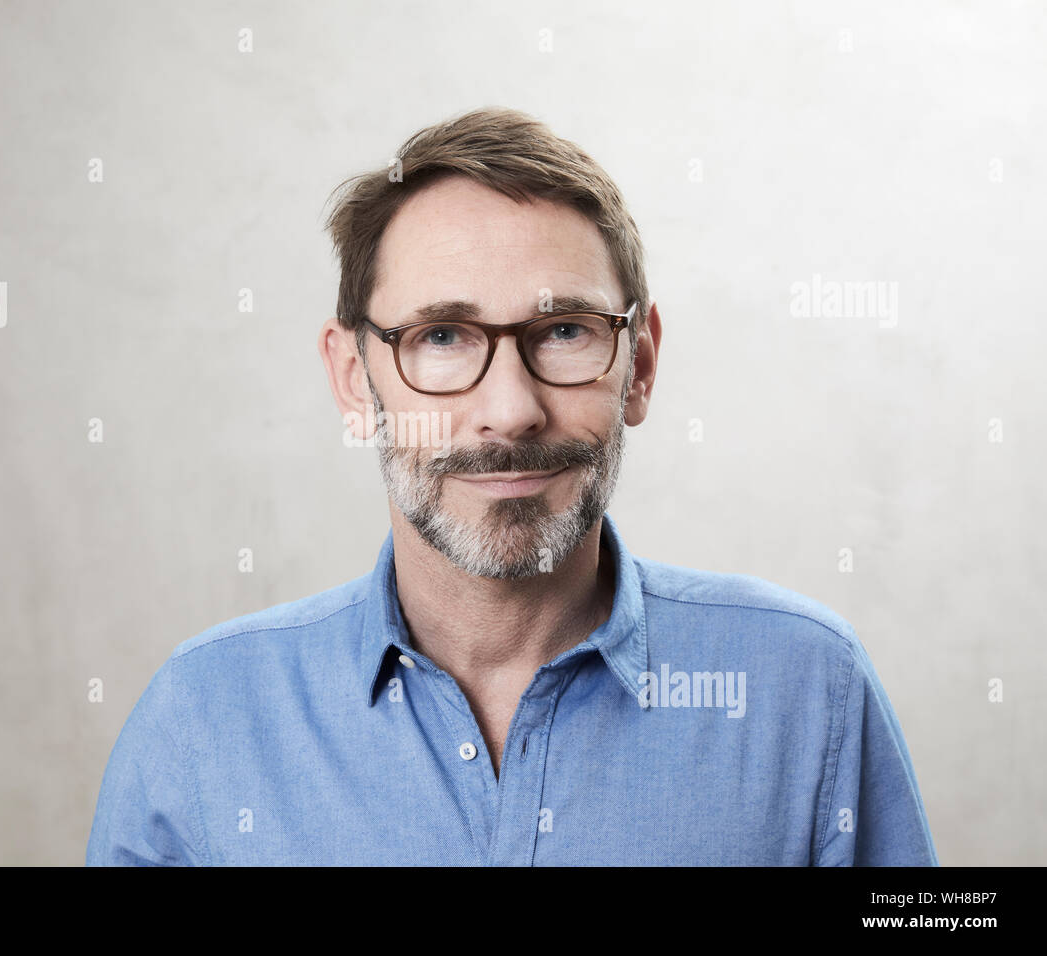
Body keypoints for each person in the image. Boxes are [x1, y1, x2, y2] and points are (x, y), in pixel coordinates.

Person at [87, 107, 939, 865]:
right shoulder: (205, 718)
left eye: (565, 330)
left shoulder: (805, 687)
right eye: (443, 336)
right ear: (354, 378)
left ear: (638, 366)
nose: (511, 410)